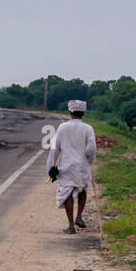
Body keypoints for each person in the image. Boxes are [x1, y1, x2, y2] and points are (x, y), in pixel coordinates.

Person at [47, 100, 96, 234]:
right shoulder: (88, 128)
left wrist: (51, 167)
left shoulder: (63, 127)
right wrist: (89, 160)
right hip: (82, 165)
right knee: (82, 189)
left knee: (67, 193)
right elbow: (91, 149)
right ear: (83, 113)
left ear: (70, 112)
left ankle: (71, 226)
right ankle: (79, 216)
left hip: (66, 165)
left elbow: (55, 148)